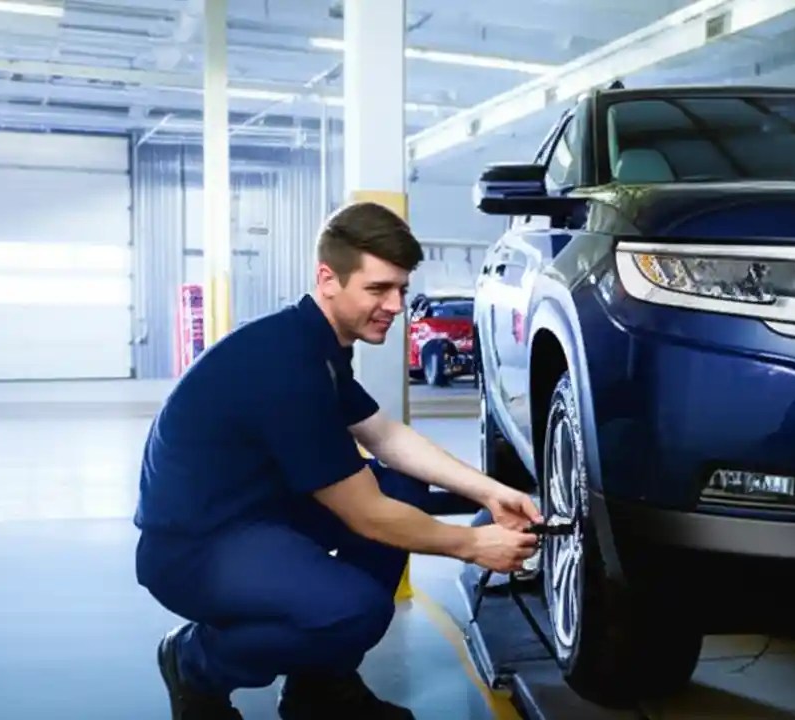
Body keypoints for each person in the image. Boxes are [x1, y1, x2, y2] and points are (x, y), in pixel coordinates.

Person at [133, 201, 544, 720]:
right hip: (194, 549)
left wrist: (489, 491)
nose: (395, 305)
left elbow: (384, 434)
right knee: (353, 611)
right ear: (327, 279)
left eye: (401, 288)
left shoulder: (317, 342)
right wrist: (473, 544)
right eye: (378, 289)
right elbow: (363, 513)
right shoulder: (287, 368)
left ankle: (318, 690)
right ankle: (196, 661)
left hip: (256, 512)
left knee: (403, 488)